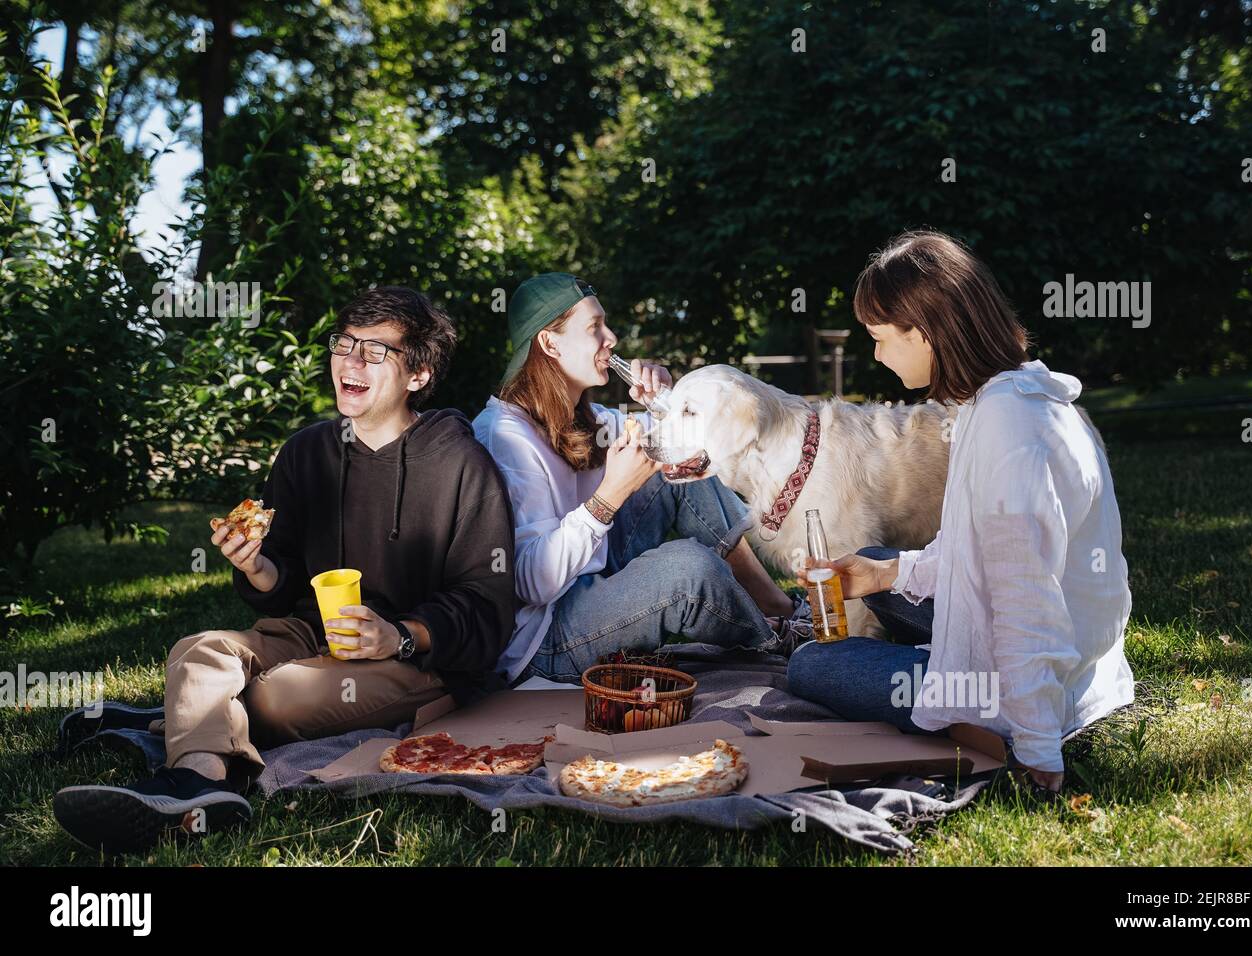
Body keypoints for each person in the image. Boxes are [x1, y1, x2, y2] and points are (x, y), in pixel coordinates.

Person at [54, 287, 518, 852]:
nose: (350, 362)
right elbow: (286, 579)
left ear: (417, 375)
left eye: (376, 353)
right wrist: (258, 569)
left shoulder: (463, 467)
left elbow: (487, 605)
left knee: (275, 697)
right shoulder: (306, 453)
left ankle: (175, 727)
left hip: (415, 659)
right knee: (197, 651)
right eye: (344, 344)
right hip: (311, 631)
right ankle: (198, 785)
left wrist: (397, 634)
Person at [788, 232, 1135, 794]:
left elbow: (1027, 596)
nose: (875, 354)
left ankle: (968, 706)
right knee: (875, 561)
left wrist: (1038, 749)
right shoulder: (1009, 397)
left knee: (811, 665)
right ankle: (917, 628)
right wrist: (884, 574)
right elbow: (977, 550)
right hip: (1075, 653)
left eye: (880, 339)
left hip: (1026, 685)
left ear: (925, 332)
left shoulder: (1007, 427)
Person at [472, 273, 812, 686]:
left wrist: (664, 402)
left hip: (595, 577)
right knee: (687, 569)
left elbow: (673, 445)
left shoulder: (589, 419)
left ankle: (780, 608)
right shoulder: (505, 436)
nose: (610, 337)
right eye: (594, 327)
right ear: (550, 343)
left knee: (678, 467)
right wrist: (608, 498)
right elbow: (531, 582)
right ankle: (771, 640)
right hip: (545, 639)